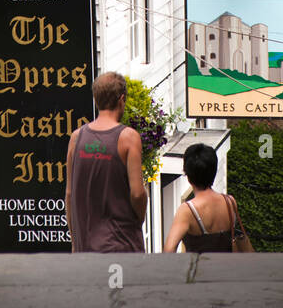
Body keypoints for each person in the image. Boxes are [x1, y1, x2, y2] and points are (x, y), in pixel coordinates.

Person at [65, 71, 147, 252]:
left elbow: (70, 195)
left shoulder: (76, 138)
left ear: (96, 100)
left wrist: (75, 241)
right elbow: (137, 194)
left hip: (85, 250)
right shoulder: (128, 138)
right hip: (121, 247)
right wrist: (137, 222)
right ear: (122, 100)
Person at [163, 142, 249, 253]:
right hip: (228, 268)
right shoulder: (230, 202)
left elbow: (169, 250)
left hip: (201, 269)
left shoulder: (187, 210)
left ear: (188, 175)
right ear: (214, 171)